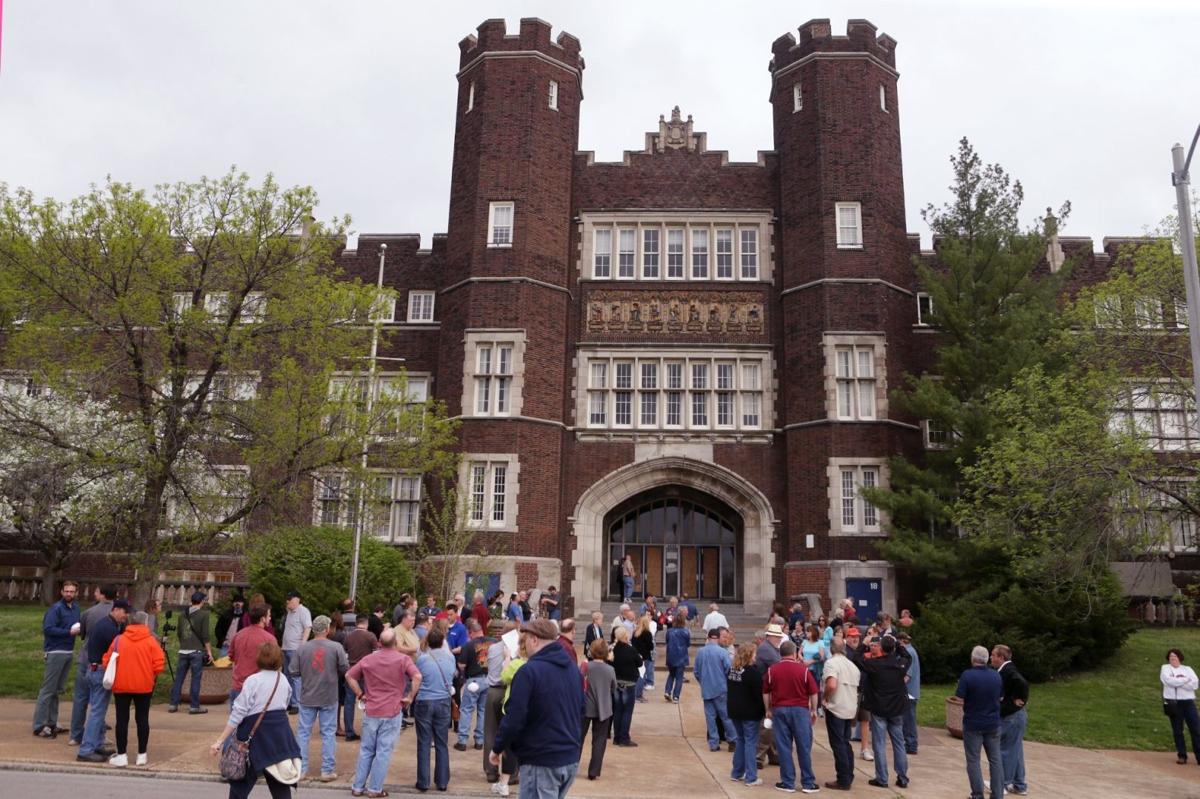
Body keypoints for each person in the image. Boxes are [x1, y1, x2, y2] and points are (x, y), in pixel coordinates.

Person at [490, 619, 584, 799]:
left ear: (534, 640)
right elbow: (580, 710)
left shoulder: (529, 671)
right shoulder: (573, 669)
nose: (523, 645)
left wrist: (497, 748)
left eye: (525, 640)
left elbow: (514, 717)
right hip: (569, 757)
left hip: (542, 759)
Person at [210, 640, 302, 799]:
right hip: (279, 734)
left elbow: (238, 713)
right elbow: (285, 704)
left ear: (259, 658)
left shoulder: (253, 680)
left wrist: (220, 740)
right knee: (279, 781)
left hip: (254, 734)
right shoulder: (283, 679)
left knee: (241, 780)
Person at [346, 628, 423, 798]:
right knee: (383, 751)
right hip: (392, 710)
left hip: (372, 710)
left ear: (379, 643)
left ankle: (357, 787)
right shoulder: (402, 659)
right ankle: (375, 789)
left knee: (366, 749)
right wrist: (409, 697)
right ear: (395, 643)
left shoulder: (368, 659)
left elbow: (349, 676)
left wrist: (361, 694)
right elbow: (417, 676)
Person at [101, 610, 164, 767]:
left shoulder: (119, 640)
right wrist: (150, 675)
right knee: (142, 720)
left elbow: (106, 661)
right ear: (145, 623)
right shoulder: (150, 641)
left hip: (121, 685)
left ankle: (122, 755)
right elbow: (159, 664)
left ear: (129, 623)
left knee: (122, 720)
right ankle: (142, 755)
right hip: (144, 685)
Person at [289, 614, 347, 782]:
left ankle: (301, 769)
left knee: (303, 733)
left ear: (314, 629)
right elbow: (344, 668)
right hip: (329, 696)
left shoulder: (302, 648)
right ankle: (327, 770)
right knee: (328, 733)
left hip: (308, 696)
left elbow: (293, 671)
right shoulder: (336, 647)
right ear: (328, 629)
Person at [851, 634, 912, 789]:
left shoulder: (874, 665)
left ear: (881, 649)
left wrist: (864, 644)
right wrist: (897, 644)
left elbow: (857, 659)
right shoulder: (899, 665)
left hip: (879, 708)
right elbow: (907, 656)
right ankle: (902, 776)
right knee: (898, 743)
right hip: (896, 709)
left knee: (879, 743)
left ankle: (882, 777)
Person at [763, 639, 820, 794]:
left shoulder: (772, 670)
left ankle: (788, 782)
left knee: (784, 747)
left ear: (780, 653)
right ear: (795, 653)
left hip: (780, 710)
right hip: (800, 711)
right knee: (804, 747)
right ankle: (808, 783)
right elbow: (813, 692)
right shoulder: (803, 670)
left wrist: (768, 709)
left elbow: (766, 692)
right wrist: (814, 710)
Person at [77, 597, 130, 762]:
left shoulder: (108, 624)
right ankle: (86, 750)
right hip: (99, 671)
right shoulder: (108, 628)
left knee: (98, 710)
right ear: (115, 610)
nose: (126, 616)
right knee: (97, 712)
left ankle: (97, 743)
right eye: (124, 612)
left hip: (94, 669)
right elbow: (119, 648)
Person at [956, 645, 1004, 799]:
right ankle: (997, 794)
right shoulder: (996, 676)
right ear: (985, 659)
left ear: (973, 658)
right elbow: (1001, 697)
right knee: (995, 760)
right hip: (993, 723)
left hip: (973, 723)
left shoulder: (967, 676)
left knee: (973, 760)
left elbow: (959, 698)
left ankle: (977, 794)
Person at [33, 580, 80, 739]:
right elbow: (48, 629)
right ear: (61, 592)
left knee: (57, 690)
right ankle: (39, 725)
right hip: (55, 651)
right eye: (66, 591)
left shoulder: (76, 609)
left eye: (72, 591)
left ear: (76, 593)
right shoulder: (56, 609)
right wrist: (69, 632)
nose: (69, 594)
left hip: (68, 651)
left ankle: (52, 722)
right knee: (47, 690)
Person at [70, 584, 115, 745]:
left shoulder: (89, 612)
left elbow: (82, 635)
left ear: (102, 594)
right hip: (105, 660)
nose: (95, 593)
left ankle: (75, 735)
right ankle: (97, 735)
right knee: (99, 701)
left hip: (86, 657)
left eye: (97, 591)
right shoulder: (118, 613)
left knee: (80, 697)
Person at [414, 627, 457, 792]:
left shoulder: (422, 659)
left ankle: (423, 782)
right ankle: (442, 781)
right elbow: (452, 675)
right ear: (442, 641)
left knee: (424, 742)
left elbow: (418, 677)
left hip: (425, 700)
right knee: (442, 742)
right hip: (443, 700)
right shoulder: (450, 657)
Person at [820, 637, 860, 791]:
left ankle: (843, 779)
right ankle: (848, 775)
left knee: (838, 745)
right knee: (845, 742)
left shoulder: (831, 663)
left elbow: (831, 684)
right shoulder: (852, 666)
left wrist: (825, 698)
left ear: (831, 649)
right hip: (849, 708)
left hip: (836, 707)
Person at [483, 621, 517, 786]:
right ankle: (511, 773)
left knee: (490, 731)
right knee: (511, 732)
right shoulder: (517, 650)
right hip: (508, 691)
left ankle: (491, 771)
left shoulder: (492, 648)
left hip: (492, 691)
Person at [727, 642, 765, 786]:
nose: (756, 656)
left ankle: (737, 772)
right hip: (749, 712)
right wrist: (763, 711)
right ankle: (751, 777)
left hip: (735, 711)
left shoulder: (732, 670)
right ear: (749, 655)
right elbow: (758, 695)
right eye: (754, 653)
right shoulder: (753, 673)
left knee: (741, 740)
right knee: (750, 743)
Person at [169, 590, 213, 715]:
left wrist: (184, 643)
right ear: (202, 601)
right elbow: (205, 635)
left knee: (179, 678)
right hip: (197, 650)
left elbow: (179, 633)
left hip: (183, 650)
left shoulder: (182, 614)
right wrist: (209, 651)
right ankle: (194, 706)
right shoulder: (204, 614)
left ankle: (173, 704)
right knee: (195, 679)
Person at [694, 626, 737, 752]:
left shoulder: (700, 652)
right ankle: (733, 740)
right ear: (718, 638)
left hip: (707, 689)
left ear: (708, 638)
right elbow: (729, 669)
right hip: (721, 688)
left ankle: (713, 743)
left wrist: (703, 682)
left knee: (710, 718)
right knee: (726, 717)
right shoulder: (722, 652)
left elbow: (696, 672)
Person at [456, 618, 493, 751]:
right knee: (483, 711)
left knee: (466, 710)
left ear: (471, 632)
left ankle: (462, 741)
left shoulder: (468, 645)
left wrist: (463, 671)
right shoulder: (493, 643)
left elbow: (461, 664)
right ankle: (479, 741)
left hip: (474, 680)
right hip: (489, 679)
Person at [582, 638, 616, 780]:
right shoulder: (610, 669)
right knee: (599, 741)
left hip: (585, 706)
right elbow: (613, 688)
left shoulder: (585, 666)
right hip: (604, 708)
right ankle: (594, 771)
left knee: (578, 738)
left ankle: (571, 764)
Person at [342, 613, 379, 741]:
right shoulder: (370, 636)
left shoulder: (349, 637)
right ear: (366, 623)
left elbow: (345, 655)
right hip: (366, 673)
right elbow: (376, 656)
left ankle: (349, 732)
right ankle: (369, 731)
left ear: (356, 623)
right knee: (368, 701)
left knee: (349, 703)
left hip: (351, 671)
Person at [229, 603, 276, 703]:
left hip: (238, 686)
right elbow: (274, 664)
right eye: (269, 615)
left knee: (236, 718)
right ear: (263, 619)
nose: (270, 618)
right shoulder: (269, 639)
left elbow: (231, 657)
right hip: (259, 689)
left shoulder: (238, 635)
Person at [1162, 647, 1200, 766]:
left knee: (1196, 729)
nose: (1173, 659)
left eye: (1175, 657)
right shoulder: (1165, 668)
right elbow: (1169, 681)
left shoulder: (1187, 669)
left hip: (1188, 702)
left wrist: (1180, 680)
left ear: (1180, 658)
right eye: (1171, 657)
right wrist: (1185, 680)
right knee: (1178, 730)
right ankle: (1182, 755)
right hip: (1174, 703)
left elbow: (1194, 685)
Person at [281, 591, 312, 715]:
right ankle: (288, 702)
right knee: (287, 676)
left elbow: (307, 628)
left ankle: (296, 703)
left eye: (290, 600)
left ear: (297, 600)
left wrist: (302, 645)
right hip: (286, 648)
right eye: (287, 600)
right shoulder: (289, 612)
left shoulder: (303, 611)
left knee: (296, 677)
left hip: (295, 648)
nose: (288, 602)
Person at [611, 625, 642, 746]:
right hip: (628, 683)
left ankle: (617, 737)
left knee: (618, 710)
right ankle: (624, 738)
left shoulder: (613, 649)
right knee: (627, 711)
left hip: (617, 682)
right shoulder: (630, 649)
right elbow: (639, 663)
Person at [900, 632, 921, 756]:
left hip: (909, 692)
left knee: (909, 719)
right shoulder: (911, 651)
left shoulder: (909, 653)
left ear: (902, 641)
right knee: (908, 718)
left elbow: (907, 675)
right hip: (911, 692)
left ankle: (911, 745)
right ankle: (909, 743)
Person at [800, 625, 827, 711]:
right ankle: (805, 705)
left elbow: (822, 656)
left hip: (815, 669)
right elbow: (799, 653)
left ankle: (817, 707)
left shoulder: (820, 642)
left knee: (815, 688)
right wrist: (803, 660)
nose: (806, 633)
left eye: (808, 631)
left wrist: (810, 662)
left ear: (813, 632)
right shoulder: (804, 642)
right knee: (803, 688)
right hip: (804, 668)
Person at [663, 614, 690, 703]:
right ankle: (676, 697)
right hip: (681, 656)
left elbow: (667, 641)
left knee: (671, 674)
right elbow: (688, 644)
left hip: (671, 655)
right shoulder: (686, 632)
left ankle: (667, 691)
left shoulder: (669, 631)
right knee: (679, 677)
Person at [632, 615, 654, 701]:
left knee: (637, 675)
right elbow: (650, 646)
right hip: (645, 656)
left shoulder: (635, 632)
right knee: (642, 675)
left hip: (636, 655)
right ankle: (638, 694)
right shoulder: (647, 633)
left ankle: (636, 693)